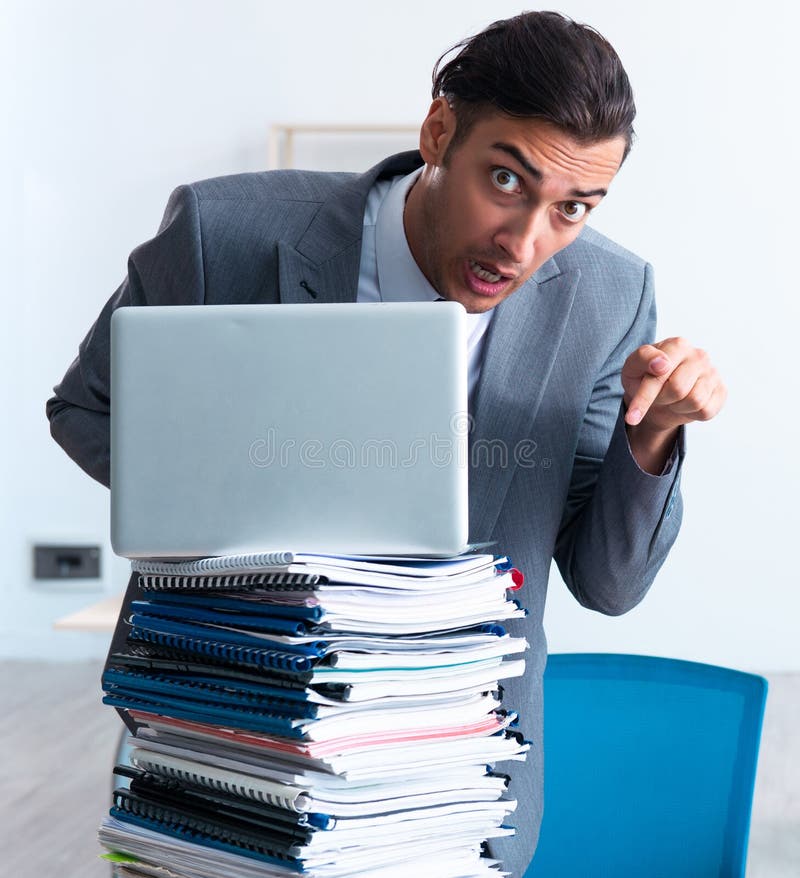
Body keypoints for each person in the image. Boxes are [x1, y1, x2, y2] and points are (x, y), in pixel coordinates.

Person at [46, 11, 725, 876]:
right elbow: (86, 408)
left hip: (448, 780)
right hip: (227, 734)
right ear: (440, 128)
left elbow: (608, 582)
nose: (523, 243)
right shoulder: (223, 236)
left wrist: (656, 432)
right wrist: (241, 501)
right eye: (507, 180)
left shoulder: (608, 296)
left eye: (572, 209)